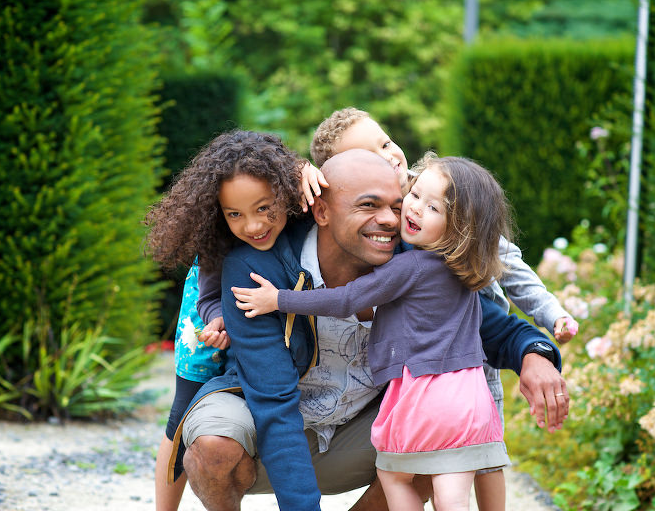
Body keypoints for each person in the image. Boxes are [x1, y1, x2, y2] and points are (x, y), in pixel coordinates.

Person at [167, 149, 569, 511]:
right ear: (321, 212)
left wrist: (536, 354)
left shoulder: (413, 259)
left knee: (442, 437)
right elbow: (274, 405)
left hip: (362, 428)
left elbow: (493, 326)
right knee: (211, 446)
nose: (390, 220)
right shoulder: (257, 269)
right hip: (272, 424)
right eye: (368, 205)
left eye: (397, 205)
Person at [304, 107, 579, 511]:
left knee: (483, 458)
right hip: (426, 364)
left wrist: (545, 325)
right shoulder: (395, 219)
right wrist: (295, 170)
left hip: (472, 343)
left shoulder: (430, 193)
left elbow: (507, 270)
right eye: (370, 156)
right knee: (424, 461)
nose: (390, 157)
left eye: (385, 142)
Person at [232, 154, 517, 510]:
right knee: (450, 492)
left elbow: (347, 298)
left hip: (425, 395)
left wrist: (279, 299)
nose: (412, 210)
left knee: (394, 473)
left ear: (459, 227)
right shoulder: (466, 270)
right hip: (471, 395)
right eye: (414, 196)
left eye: (432, 208)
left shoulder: (410, 266)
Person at [144, 129, 307, 511]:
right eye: (235, 214)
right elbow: (209, 298)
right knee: (182, 411)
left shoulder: (296, 217)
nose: (253, 226)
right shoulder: (217, 240)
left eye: (265, 208)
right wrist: (218, 322)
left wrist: (305, 169)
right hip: (202, 313)